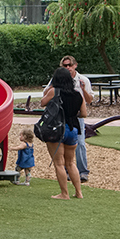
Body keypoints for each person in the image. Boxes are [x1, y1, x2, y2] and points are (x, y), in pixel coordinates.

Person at [44, 55, 94, 181]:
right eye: (65, 65)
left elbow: (89, 101)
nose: (68, 67)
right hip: (60, 117)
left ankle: (82, 171)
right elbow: (45, 95)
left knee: (80, 143)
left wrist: (83, 89)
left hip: (74, 117)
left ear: (75, 65)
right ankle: (68, 172)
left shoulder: (83, 80)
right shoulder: (56, 80)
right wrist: (53, 86)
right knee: (63, 145)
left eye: (70, 65)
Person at [41, 66, 86, 199]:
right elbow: (83, 114)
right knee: (71, 162)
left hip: (57, 129)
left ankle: (64, 194)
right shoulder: (78, 94)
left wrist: (49, 91)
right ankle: (79, 192)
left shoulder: (54, 91)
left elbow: (43, 103)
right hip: (73, 129)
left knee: (59, 163)